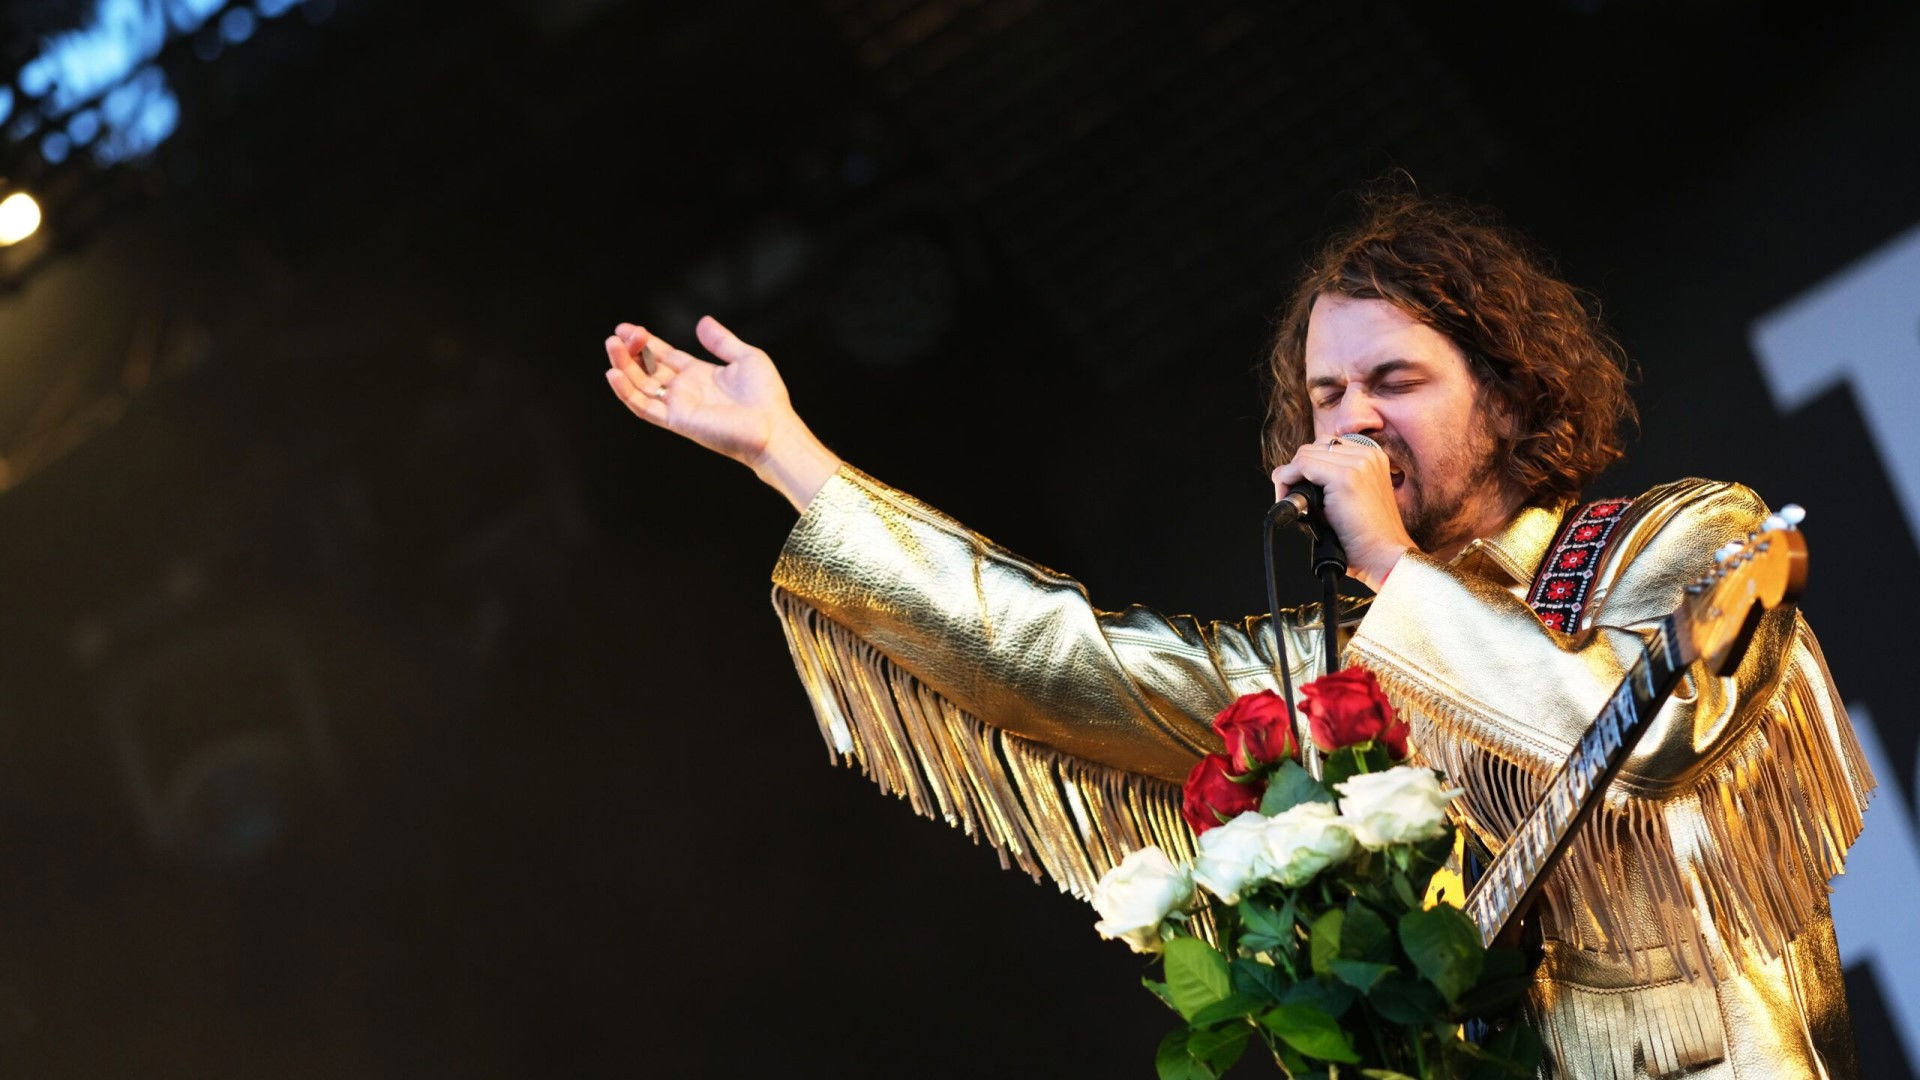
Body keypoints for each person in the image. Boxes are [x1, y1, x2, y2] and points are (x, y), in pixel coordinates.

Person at [600, 194, 1870, 1079]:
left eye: (1396, 382)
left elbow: (1642, 741)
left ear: (1508, 389)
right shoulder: (1328, 666)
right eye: (1326, 397)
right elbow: (1059, 654)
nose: (1353, 422)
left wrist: (1385, 558)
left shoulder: (1678, 542)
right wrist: (790, 456)